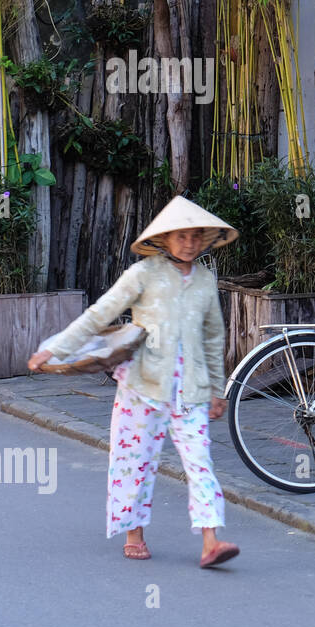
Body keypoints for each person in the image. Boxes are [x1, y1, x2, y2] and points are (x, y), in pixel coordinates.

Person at [28, 197, 241, 569]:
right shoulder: (143, 274)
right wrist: (55, 350)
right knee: (134, 461)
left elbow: (213, 338)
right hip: (143, 384)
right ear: (165, 238)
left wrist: (217, 390)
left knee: (200, 462)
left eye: (196, 236)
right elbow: (99, 314)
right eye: (181, 235)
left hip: (190, 388)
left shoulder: (206, 281)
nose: (189, 242)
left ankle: (211, 539)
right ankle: (134, 533)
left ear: (205, 240)